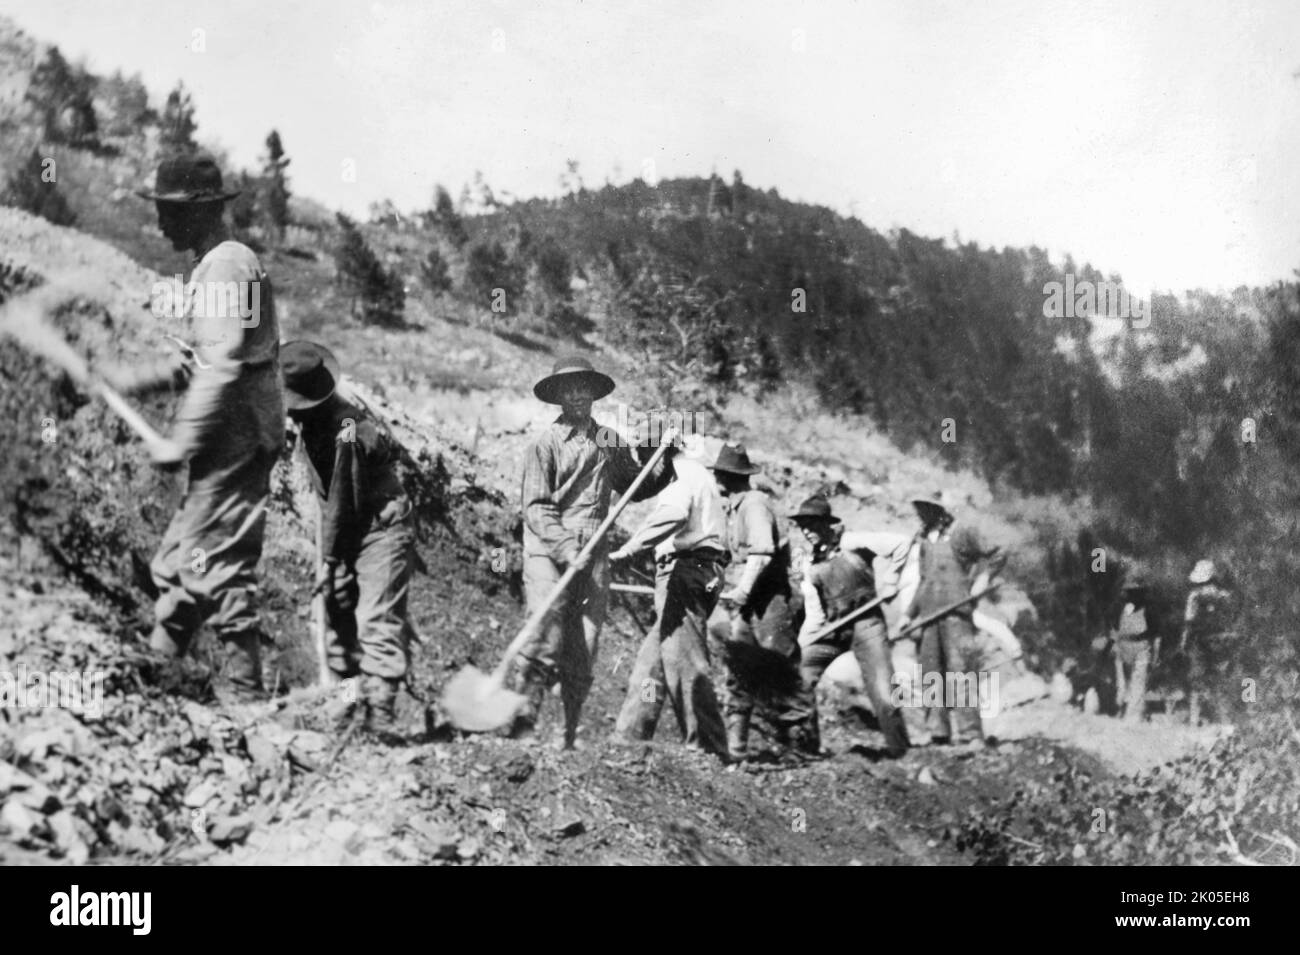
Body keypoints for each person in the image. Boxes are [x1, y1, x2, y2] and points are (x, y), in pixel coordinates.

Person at [100, 152, 283, 704]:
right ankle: (155, 677)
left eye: (167, 210)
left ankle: (247, 708)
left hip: (239, 439)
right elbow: (195, 362)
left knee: (215, 566)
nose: (159, 222)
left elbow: (221, 363)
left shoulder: (226, 266)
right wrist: (124, 381)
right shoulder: (215, 266)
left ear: (198, 211)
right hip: (231, 439)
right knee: (186, 555)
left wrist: (179, 437)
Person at [512, 356, 667, 748]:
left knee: (586, 642)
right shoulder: (543, 446)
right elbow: (536, 507)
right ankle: (523, 722)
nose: (578, 395)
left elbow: (637, 485)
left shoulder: (607, 439)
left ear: (594, 393)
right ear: (559, 396)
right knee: (545, 630)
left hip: (595, 548)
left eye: (585, 387)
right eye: (570, 389)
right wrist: (565, 547)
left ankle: (568, 732)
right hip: (550, 547)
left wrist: (657, 451)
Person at [281, 341, 417, 740]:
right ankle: (346, 706)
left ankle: (380, 718)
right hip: (348, 526)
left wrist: (329, 562)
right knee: (339, 617)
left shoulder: (347, 430)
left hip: (381, 528)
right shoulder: (313, 422)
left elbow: (343, 499)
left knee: (374, 620)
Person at [609, 435, 730, 759]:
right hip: (694, 570)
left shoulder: (679, 472)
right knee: (653, 663)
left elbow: (673, 515)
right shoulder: (692, 473)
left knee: (686, 662)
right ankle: (629, 739)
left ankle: (709, 750)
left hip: (687, 570)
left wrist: (629, 549)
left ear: (656, 455)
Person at [711, 443, 816, 762]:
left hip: (772, 603)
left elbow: (761, 553)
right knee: (739, 668)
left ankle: (800, 748)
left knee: (780, 670)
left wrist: (741, 590)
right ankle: (736, 748)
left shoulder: (755, 505)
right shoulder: (733, 507)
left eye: (719, 474)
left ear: (729, 476)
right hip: (749, 604)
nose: (715, 480)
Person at [791, 496, 912, 757]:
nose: (808, 532)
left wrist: (890, 579)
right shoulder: (810, 562)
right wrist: (807, 641)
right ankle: (808, 748)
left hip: (867, 623)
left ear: (827, 525)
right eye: (804, 527)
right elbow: (814, 609)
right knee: (802, 674)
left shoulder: (851, 542)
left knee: (883, 689)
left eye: (813, 525)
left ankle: (901, 752)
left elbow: (901, 543)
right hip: (834, 627)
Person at [895, 492, 984, 747]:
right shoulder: (924, 541)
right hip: (928, 615)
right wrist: (907, 614)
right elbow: (924, 581)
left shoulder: (959, 536)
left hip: (957, 614)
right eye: (919, 508)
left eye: (926, 508)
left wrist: (980, 582)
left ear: (939, 511)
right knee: (931, 674)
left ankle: (971, 733)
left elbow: (992, 556)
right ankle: (938, 732)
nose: (921, 514)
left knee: (961, 672)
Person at [1180, 560, 1234, 725]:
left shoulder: (1194, 596)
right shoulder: (1225, 596)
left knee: (1197, 680)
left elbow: (1189, 621)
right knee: (1220, 680)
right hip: (1220, 641)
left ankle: (1194, 719)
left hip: (1199, 640)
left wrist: (1184, 641)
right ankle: (1224, 719)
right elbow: (1230, 619)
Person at [1112, 577, 1158, 722]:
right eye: (1130, 593)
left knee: (1138, 681)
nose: (1133, 596)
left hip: (1141, 648)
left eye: (1136, 593)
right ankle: (1119, 708)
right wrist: (1114, 644)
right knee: (1121, 683)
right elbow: (1114, 629)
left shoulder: (1149, 610)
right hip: (1123, 648)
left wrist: (1156, 654)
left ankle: (1134, 716)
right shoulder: (1120, 608)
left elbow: (1156, 634)